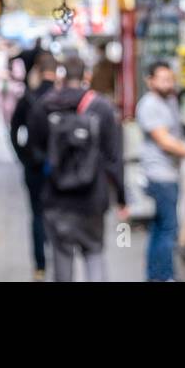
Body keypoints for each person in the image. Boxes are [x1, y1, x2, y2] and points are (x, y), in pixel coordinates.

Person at [26, 56, 126, 282]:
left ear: (62, 77)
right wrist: (121, 197)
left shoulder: (45, 106)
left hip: (56, 199)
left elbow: (33, 151)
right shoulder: (102, 108)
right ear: (86, 77)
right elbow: (114, 158)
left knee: (62, 259)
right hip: (93, 198)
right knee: (94, 254)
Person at [135, 61, 185, 282]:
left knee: (160, 228)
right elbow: (164, 140)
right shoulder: (149, 105)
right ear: (150, 80)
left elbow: (179, 129)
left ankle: (155, 275)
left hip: (171, 173)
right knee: (168, 229)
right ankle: (164, 276)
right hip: (159, 175)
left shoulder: (170, 100)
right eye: (163, 79)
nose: (168, 84)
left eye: (170, 79)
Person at [9, 48, 58, 280]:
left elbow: (14, 130)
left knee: (37, 214)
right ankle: (61, 260)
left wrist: (23, 155)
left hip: (34, 165)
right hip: (59, 166)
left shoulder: (28, 99)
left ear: (37, 71)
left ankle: (40, 266)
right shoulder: (61, 98)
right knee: (58, 213)